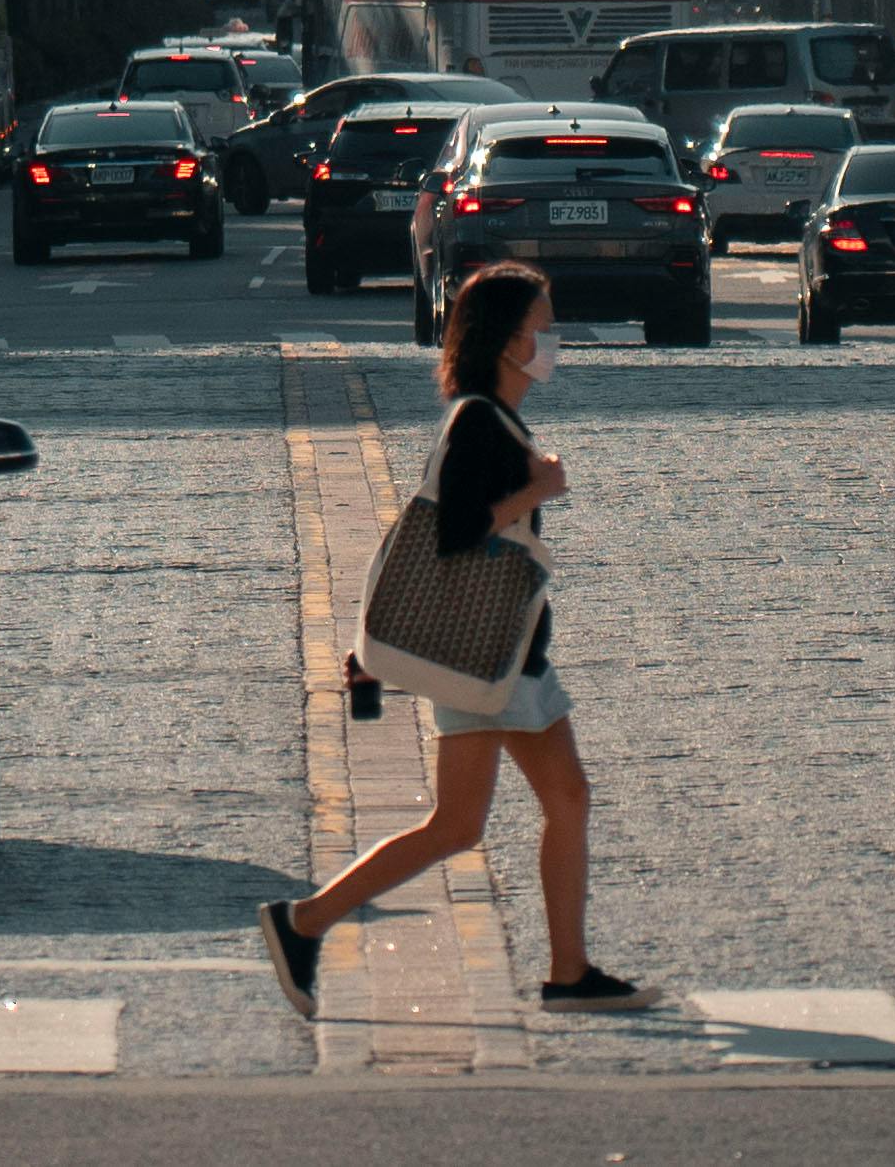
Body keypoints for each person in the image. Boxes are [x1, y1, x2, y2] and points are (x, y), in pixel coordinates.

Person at [260, 261, 649, 1020]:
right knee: (516, 810)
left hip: (503, 659)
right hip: (491, 659)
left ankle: (564, 968)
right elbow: (457, 530)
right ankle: (308, 922)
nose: (552, 338)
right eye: (543, 324)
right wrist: (539, 490)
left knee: (497, 815)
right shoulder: (478, 421)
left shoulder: (493, 418)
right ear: (508, 341)